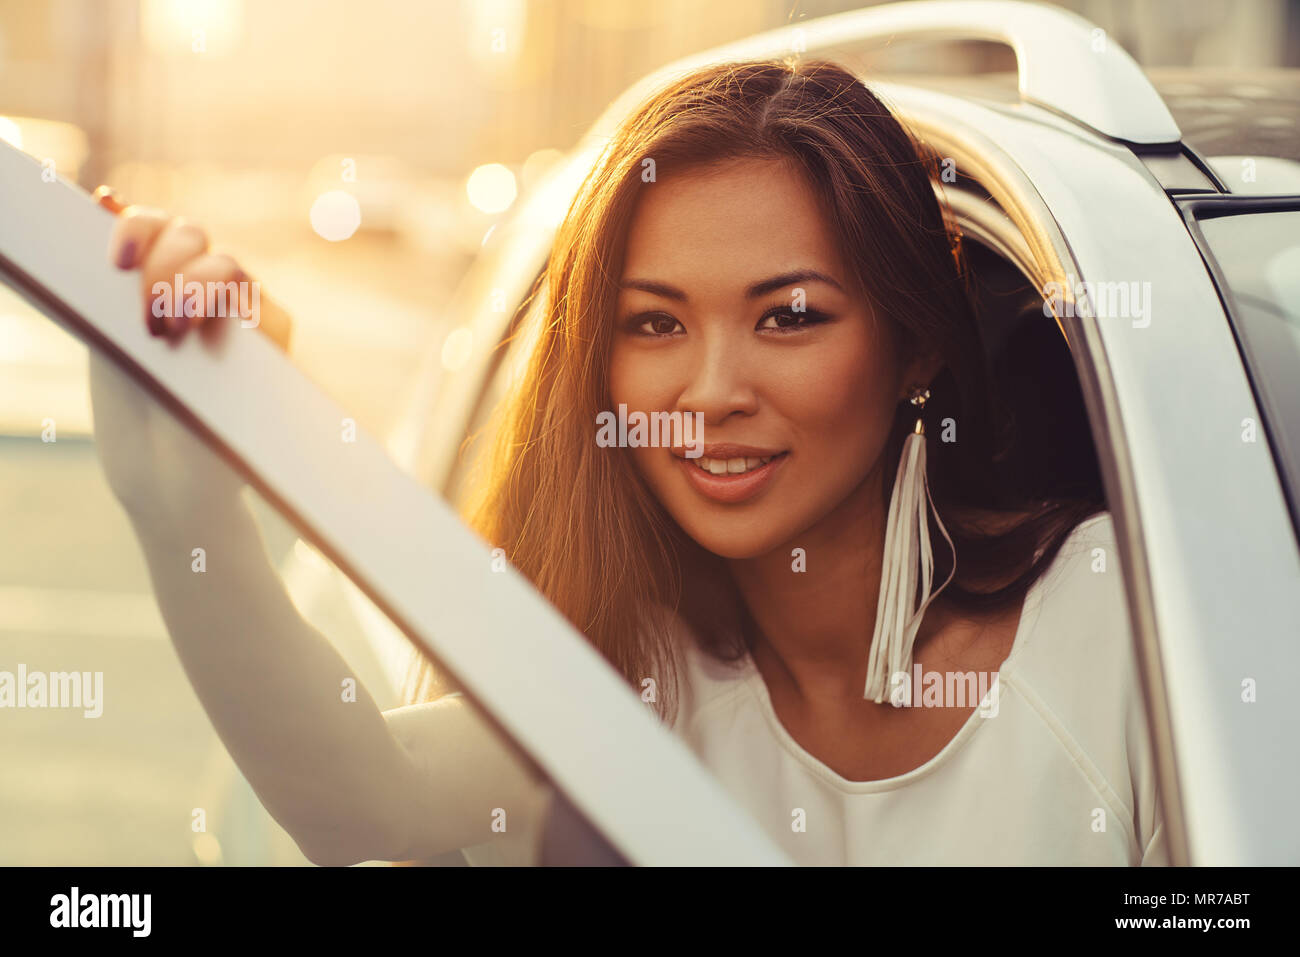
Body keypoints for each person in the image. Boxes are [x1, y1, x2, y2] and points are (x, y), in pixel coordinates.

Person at [91, 57, 1167, 866]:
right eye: (652, 326)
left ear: (914, 344)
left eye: (787, 317)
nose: (709, 392)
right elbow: (356, 791)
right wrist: (180, 495)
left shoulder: (1128, 626)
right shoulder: (633, 674)